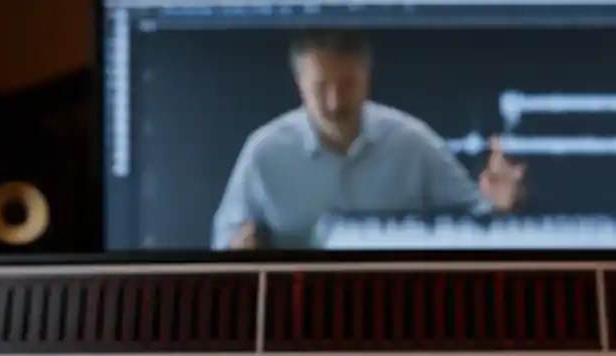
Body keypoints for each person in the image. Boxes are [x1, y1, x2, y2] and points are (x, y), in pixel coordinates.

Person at [211, 29, 526, 250]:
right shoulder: (264, 152)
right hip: (293, 318)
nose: (335, 102)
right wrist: (238, 250)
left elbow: (477, 221)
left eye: (347, 84)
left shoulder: (412, 143)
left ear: (367, 78)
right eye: (321, 87)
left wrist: (502, 208)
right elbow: (223, 242)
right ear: (299, 83)